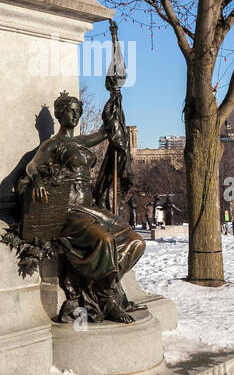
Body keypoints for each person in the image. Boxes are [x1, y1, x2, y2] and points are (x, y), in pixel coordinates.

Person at [21, 92, 147, 323]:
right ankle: (107, 298)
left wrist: (115, 102)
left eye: (78, 110)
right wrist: (37, 179)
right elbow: (31, 166)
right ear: (60, 114)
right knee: (105, 241)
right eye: (71, 110)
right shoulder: (53, 144)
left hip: (90, 209)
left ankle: (98, 283)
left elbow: (105, 132)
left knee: (137, 242)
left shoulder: (79, 142)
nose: (76, 114)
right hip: (68, 210)